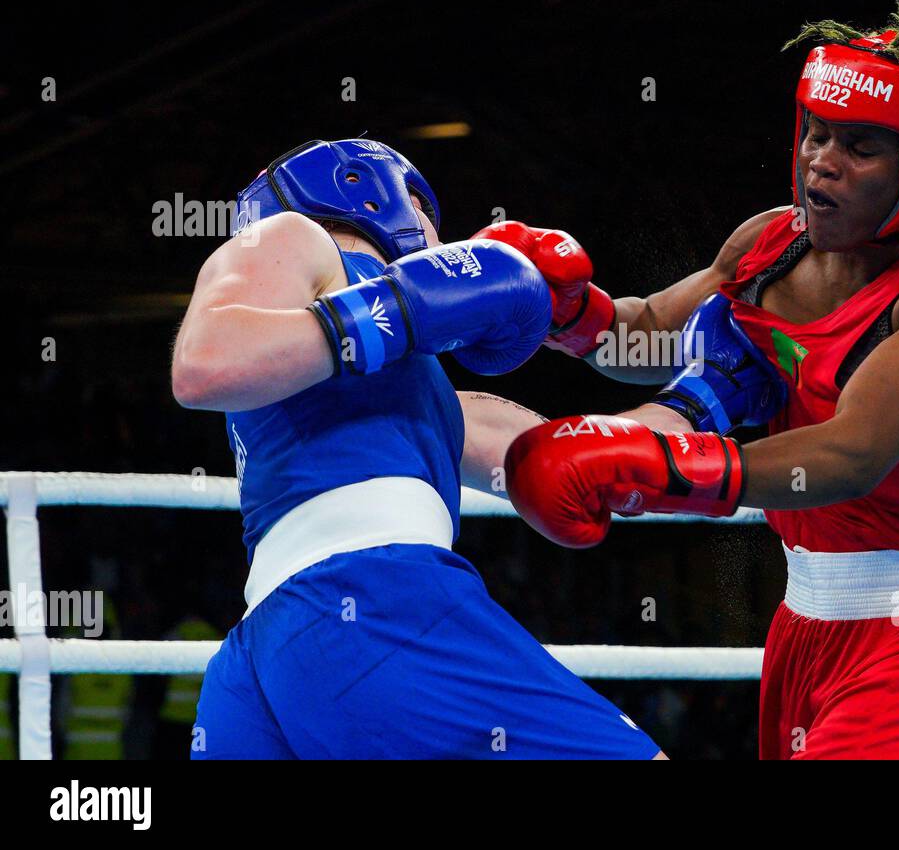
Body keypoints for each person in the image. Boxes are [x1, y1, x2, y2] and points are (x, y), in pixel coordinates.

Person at [499, 0, 899, 759]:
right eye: (815, 133)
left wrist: (667, 464)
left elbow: (854, 454)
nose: (822, 161)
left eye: (860, 147)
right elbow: (643, 336)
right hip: (804, 621)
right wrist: (560, 311)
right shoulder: (770, 243)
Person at [172, 138, 662, 759]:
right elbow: (203, 365)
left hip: (269, 659)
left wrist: (706, 393)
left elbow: (591, 462)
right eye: (427, 213)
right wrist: (403, 303)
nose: (440, 237)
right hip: (376, 604)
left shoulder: (415, 396)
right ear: (369, 190)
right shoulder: (297, 238)